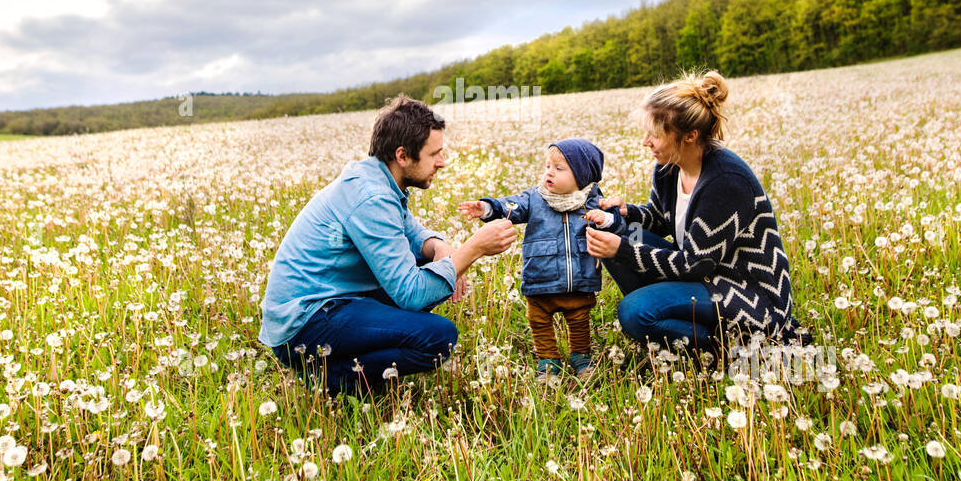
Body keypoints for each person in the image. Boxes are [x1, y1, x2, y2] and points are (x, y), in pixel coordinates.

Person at [258, 96, 516, 395]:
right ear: (403, 155)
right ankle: (329, 378)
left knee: (428, 268)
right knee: (439, 338)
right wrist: (473, 250)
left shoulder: (378, 179)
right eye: (435, 154)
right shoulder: (370, 196)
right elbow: (411, 294)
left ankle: (348, 362)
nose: (442, 163)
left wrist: (442, 250)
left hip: (331, 301)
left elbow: (414, 235)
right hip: (306, 323)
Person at [584, 70, 811, 370]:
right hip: (704, 277)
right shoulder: (670, 167)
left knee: (634, 312)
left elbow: (693, 265)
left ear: (689, 136)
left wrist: (622, 249)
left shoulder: (726, 181)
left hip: (746, 293)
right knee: (612, 229)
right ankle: (666, 314)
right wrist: (626, 214)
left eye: (655, 133)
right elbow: (660, 219)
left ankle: (726, 349)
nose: (645, 142)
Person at [458, 138, 623, 382]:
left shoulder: (593, 201)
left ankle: (581, 357)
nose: (549, 173)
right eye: (547, 166)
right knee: (539, 321)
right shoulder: (535, 198)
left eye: (559, 169)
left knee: (579, 321)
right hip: (540, 278)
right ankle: (548, 361)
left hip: (579, 279)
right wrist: (487, 208)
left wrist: (606, 219)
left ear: (582, 176)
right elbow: (511, 206)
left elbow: (615, 221)